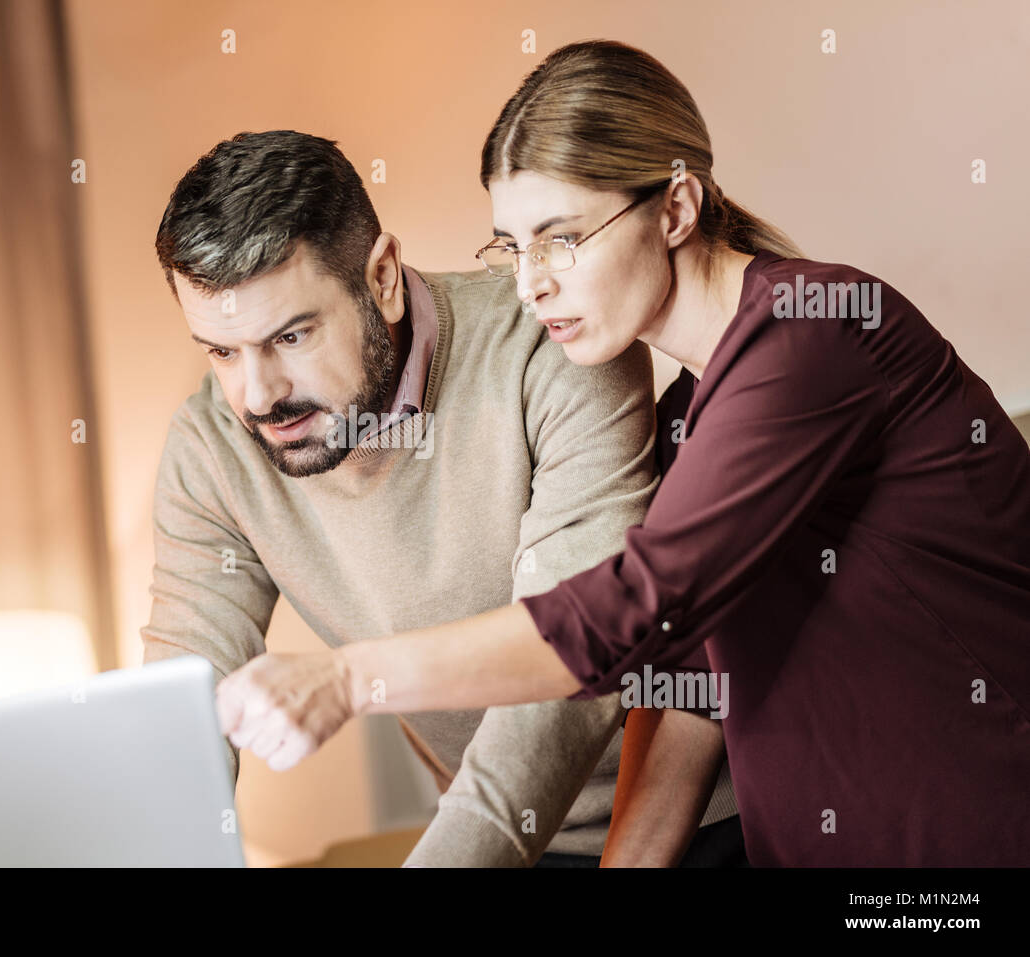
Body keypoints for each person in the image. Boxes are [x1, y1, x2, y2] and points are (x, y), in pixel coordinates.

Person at [214, 40, 1030, 866]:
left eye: (562, 237)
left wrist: (351, 678)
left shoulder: (813, 331)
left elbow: (628, 608)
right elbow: (686, 693)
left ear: (675, 207)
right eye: (513, 244)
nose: (531, 284)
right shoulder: (689, 414)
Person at [145, 129, 742, 867]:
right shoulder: (211, 443)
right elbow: (178, 702)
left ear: (384, 276)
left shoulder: (552, 345)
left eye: (292, 336)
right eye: (221, 351)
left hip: (707, 824)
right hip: (500, 840)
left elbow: (575, 662)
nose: (259, 395)